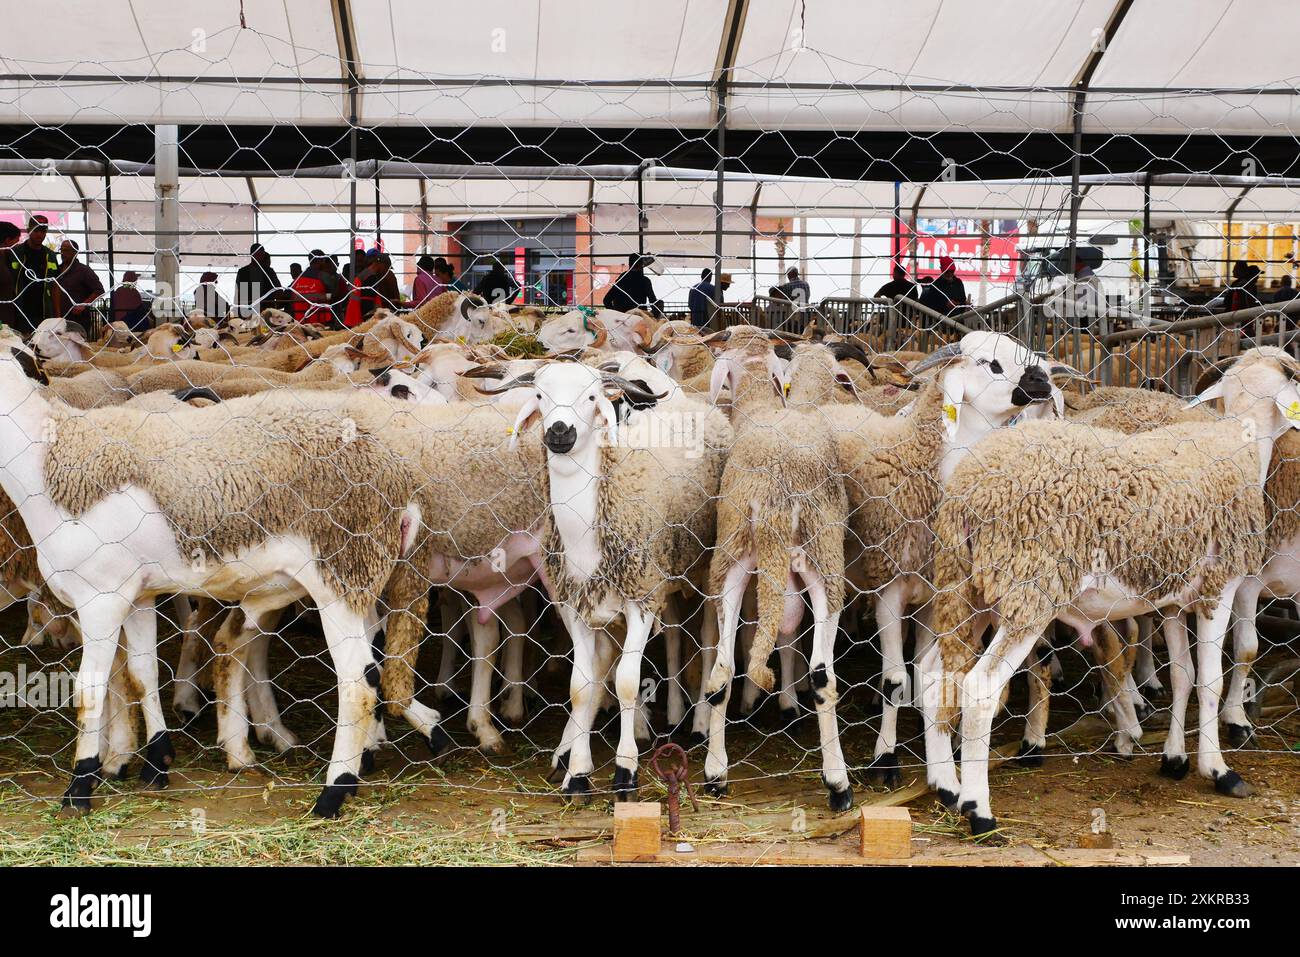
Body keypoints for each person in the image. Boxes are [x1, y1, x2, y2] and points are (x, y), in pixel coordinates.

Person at [9, 215, 62, 333]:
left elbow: (55, 286)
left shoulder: (51, 255)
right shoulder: (15, 252)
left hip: (43, 313)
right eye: (36, 230)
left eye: (43, 231)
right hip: (19, 311)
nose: (39, 234)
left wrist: (58, 316)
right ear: (28, 231)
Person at [55, 239, 104, 320]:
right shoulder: (57, 270)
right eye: (61, 250)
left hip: (78, 319)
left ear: (75, 252)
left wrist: (83, 305)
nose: (63, 253)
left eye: (66, 250)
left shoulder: (84, 270)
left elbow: (99, 290)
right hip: (59, 320)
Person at [234, 243, 281, 316]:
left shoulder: (269, 271)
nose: (260, 257)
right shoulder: (243, 272)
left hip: (265, 310)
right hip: (248, 310)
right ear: (251, 255)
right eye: (258, 254)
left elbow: (278, 290)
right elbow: (238, 293)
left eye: (261, 254)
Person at [289, 253, 337, 324]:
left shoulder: (297, 279)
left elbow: (291, 297)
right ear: (320, 261)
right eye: (324, 260)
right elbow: (334, 295)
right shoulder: (323, 276)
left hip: (300, 318)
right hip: (320, 319)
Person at [0, 221, 21, 330]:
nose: (17, 245)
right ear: (7, 240)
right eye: (15, 242)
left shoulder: (8, 257)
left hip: (8, 316)